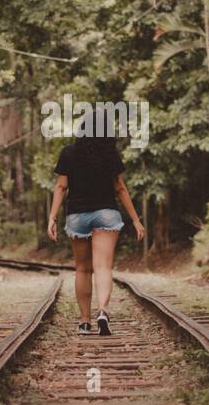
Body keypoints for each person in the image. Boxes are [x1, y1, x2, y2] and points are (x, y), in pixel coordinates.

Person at [47, 132, 144, 335]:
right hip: (106, 214)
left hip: (77, 216)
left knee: (83, 269)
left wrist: (52, 217)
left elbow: (61, 186)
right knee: (103, 267)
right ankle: (102, 312)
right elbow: (120, 188)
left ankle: (84, 322)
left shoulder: (68, 153)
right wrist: (135, 220)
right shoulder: (110, 154)